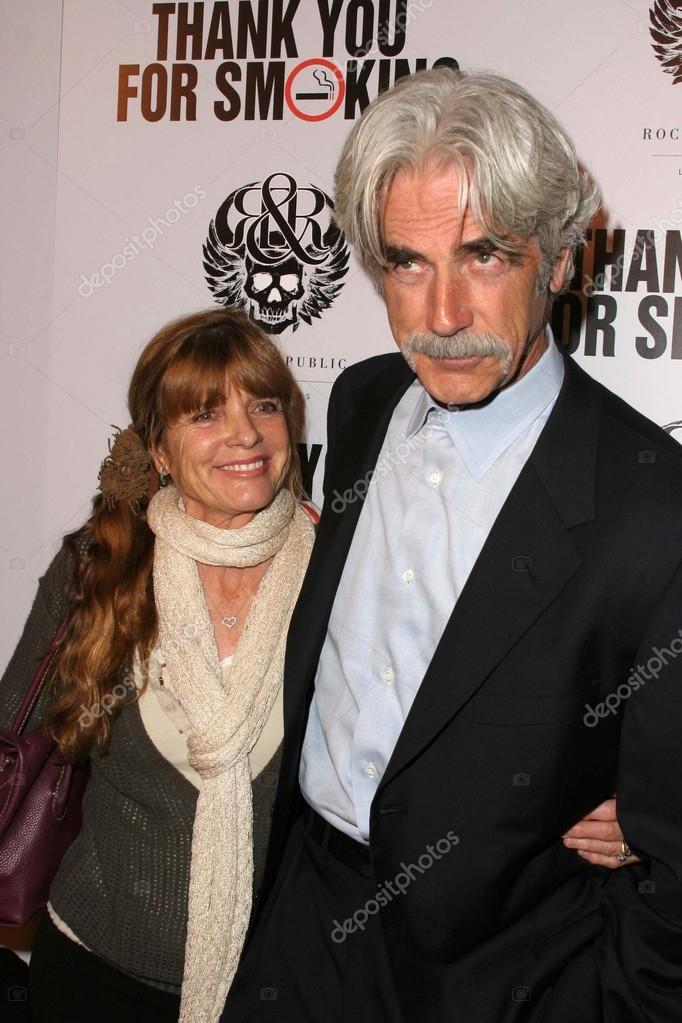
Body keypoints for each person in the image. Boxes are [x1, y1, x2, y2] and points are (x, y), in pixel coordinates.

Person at [221, 68, 682, 1021]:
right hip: (302, 919)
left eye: (484, 256)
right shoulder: (360, 401)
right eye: (407, 263)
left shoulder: (655, 508)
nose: (440, 318)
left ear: (559, 259)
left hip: (503, 975)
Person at [0, 307, 317, 1023]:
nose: (245, 434)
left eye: (263, 404)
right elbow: (10, 732)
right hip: (88, 975)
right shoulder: (101, 566)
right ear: (161, 451)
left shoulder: (337, 572)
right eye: (205, 413)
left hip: (274, 983)